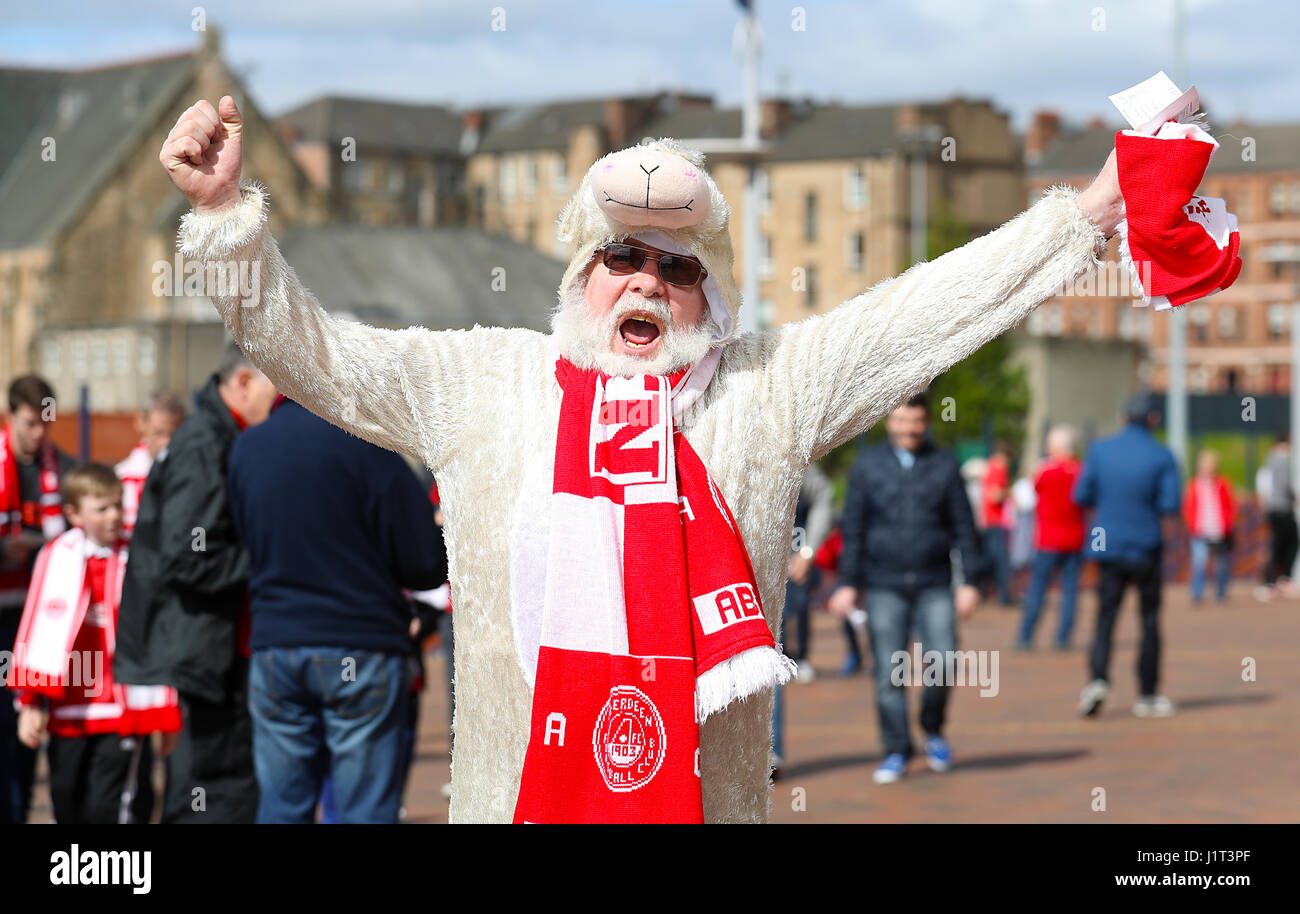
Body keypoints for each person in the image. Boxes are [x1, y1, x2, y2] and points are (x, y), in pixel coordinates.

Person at [159, 94, 1122, 823]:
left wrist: (1084, 217)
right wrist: (225, 217)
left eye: (680, 266)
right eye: (627, 255)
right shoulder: (489, 382)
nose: (650, 280)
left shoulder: (763, 390)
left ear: (711, 296)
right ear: (584, 274)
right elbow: (318, 354)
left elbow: (915, 315)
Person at [227, 396, 446, 823]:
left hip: (277, 644)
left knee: (281, 807)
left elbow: (240, 540)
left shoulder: (248, 447)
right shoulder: (367, 445)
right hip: (360, 644)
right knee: (362, 810)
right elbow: (424, 563)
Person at [114, 345, 278, 823]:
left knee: (223, 780)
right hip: (206, 651)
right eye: (276, 386)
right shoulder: (206, 442)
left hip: (215, 645)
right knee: (212, 783)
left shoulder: (219, 436)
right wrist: (267, 560)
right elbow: (187, 555)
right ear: (244, 383)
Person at [8, 464, 181, 823]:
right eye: (102, 508)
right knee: (67, 803)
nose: (114, 515)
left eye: (118, 505)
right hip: (69, 712)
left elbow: (160, 633)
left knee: (113, 809)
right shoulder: (56, 556)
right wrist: (29, 701)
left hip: (120, 710)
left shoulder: (138, 558)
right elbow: (36, 628)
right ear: (74, 513)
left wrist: (167, 709)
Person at [828, 395, 984, 784]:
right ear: (888, 420)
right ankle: (897, 749)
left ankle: (932, 729)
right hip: (884, 587)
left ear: (926, 421)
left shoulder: (944, 465)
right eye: (900, 420)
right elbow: (855, 529)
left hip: (935, 584)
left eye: (915, 421)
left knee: (944, 661)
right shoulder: (867, 467)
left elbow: (965, 526)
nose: (908, 429)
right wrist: (848, 583)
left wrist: (972, 583)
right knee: (889, 674)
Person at [1074, 393, 1181, 719]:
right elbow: (1170, 505)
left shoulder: (1100, 450)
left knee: (1105, 618)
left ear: (1123, 417)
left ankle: (1097, 680)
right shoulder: (1162, 456)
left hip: (1107, 545)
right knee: (1149, 621)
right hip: (1146, 545)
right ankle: (1146, 694)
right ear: (1153, 420)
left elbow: (1080, 494)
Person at [1, 374, 77, 823]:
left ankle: (23, 807)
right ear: (12, 416)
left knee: (28, 731)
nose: (38, 433)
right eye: (30, 423)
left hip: (44, 623)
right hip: (4, 616)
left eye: (44, 423)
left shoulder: (63, 469)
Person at [771, 460, 833, 775]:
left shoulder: (787, 445)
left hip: (779, 570)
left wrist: (807, 551)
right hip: (722, 565)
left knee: (770, 656)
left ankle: (771, 753)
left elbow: (823, 494)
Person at [1017, 425, 1085, 650]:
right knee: (1070, 591)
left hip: (1047, 540)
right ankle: (1063, 638)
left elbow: (1032, 492)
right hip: (1074, 538)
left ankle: (1026, 636)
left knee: (1037, 588)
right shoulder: (1080, 470)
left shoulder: (1045, 471)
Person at [115, 391, 187, 538]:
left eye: (173, 434)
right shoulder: (121, 478)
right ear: (141, 423)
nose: (166, 442)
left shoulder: (193, 474)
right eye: (158, 433)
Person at [1183, 450, 1236, 605]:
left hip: (1219, 529)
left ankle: (1221, 592)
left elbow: (1229, 504)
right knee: (1200, 562)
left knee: (1222, 563)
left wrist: (1228, 522)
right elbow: (1188, 506)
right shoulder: (1194, 484)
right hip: (1199, 529)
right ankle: (1197, 593)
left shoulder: (1222, 483)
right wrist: (1192, 523)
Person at [1257, 433, 1297, 599]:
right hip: (1282, 508)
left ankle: (1273, 581)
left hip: (1272, 509)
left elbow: (1263, 483)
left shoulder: (1269, 460)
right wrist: (1294, 497)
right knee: (1290, 543)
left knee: (1277, 545)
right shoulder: (1283, 460)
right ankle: (1279, 580)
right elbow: (1285, 485)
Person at [980, 441, 1015, 605]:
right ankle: (1004, 595)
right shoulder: (999, 468)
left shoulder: (989, 466)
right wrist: (1010, 493)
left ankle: (985, 590)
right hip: (997, 520)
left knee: (991, 557)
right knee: (1001, 559)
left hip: (990, 519)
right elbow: (995, 495)